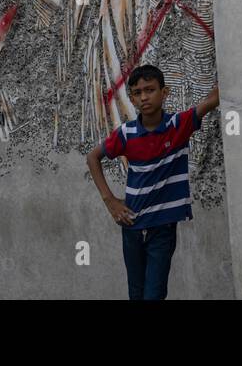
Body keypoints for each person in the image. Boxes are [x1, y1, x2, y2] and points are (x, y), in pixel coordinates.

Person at [85, 65, 218, 300]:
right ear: (132, 99)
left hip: (162, 230)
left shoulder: (178, 125)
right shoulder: (126, 133)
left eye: (150, 89)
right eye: (137, 92)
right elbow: (93, 157)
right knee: (136, 294)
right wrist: (110, 201)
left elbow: (213, 99)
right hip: (132, 226)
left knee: (154, 294)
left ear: (164, 92)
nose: (144, 97)